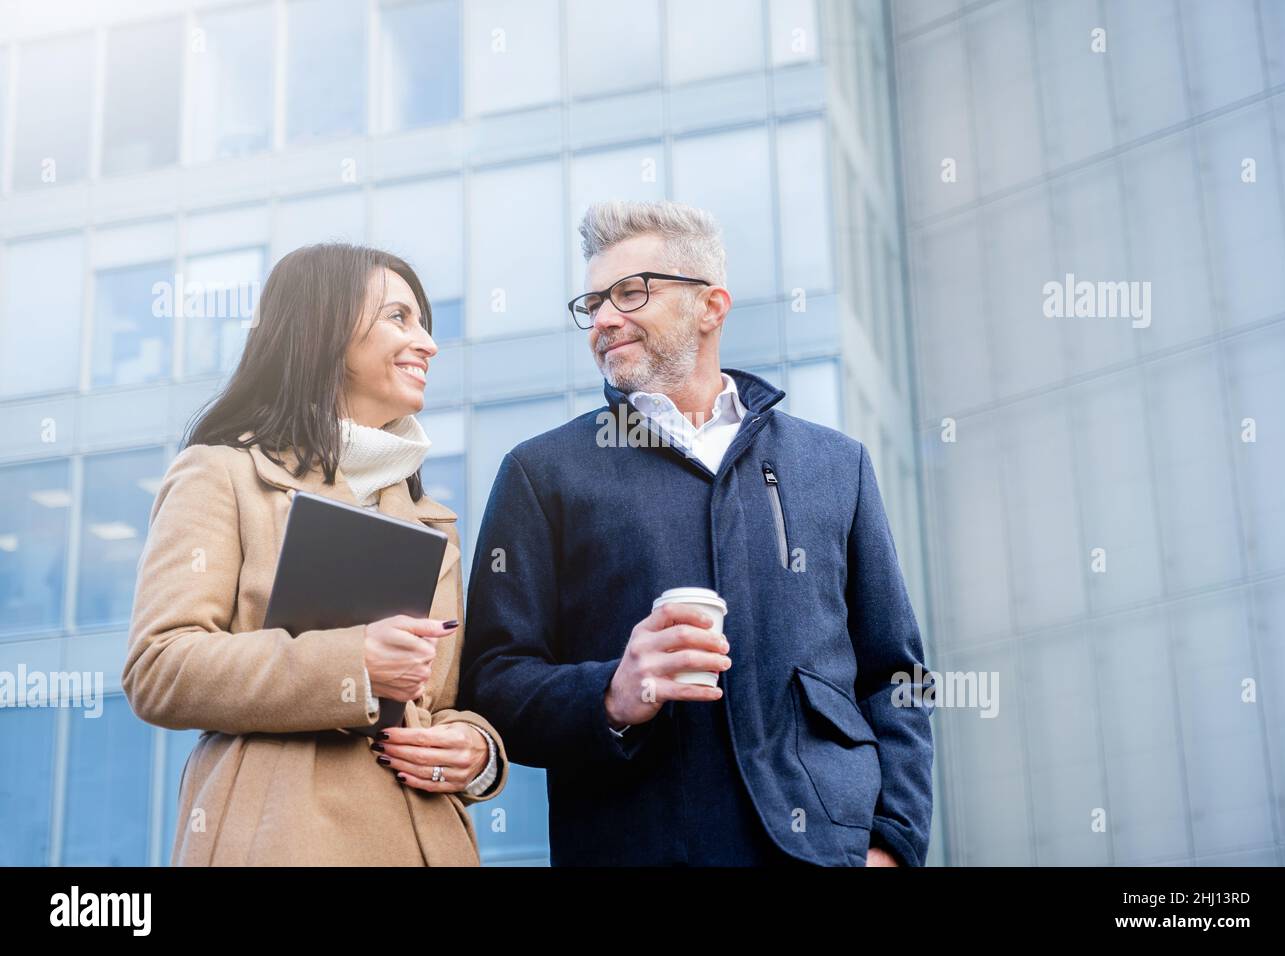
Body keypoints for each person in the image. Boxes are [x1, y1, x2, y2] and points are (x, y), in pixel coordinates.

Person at [459, 199, 933, 866]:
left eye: (630, 293)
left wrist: (893, 842)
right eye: (592, 303)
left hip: (830, 853)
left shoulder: (835, 464)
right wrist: (613, 694)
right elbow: (489, 686)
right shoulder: (541, 474)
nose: (603, 319)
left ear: (711, 307)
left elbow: (896, 676)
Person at [123, 242, 508, 865]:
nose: (428, 345)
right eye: (399, 319)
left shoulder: (434, 523)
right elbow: (159, 668)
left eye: (425, 325)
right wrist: (351, 662)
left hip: (420, 839)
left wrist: (475, 750)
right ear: (324, 330)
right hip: (279, 834)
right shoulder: (219, 475)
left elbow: (440, 703)